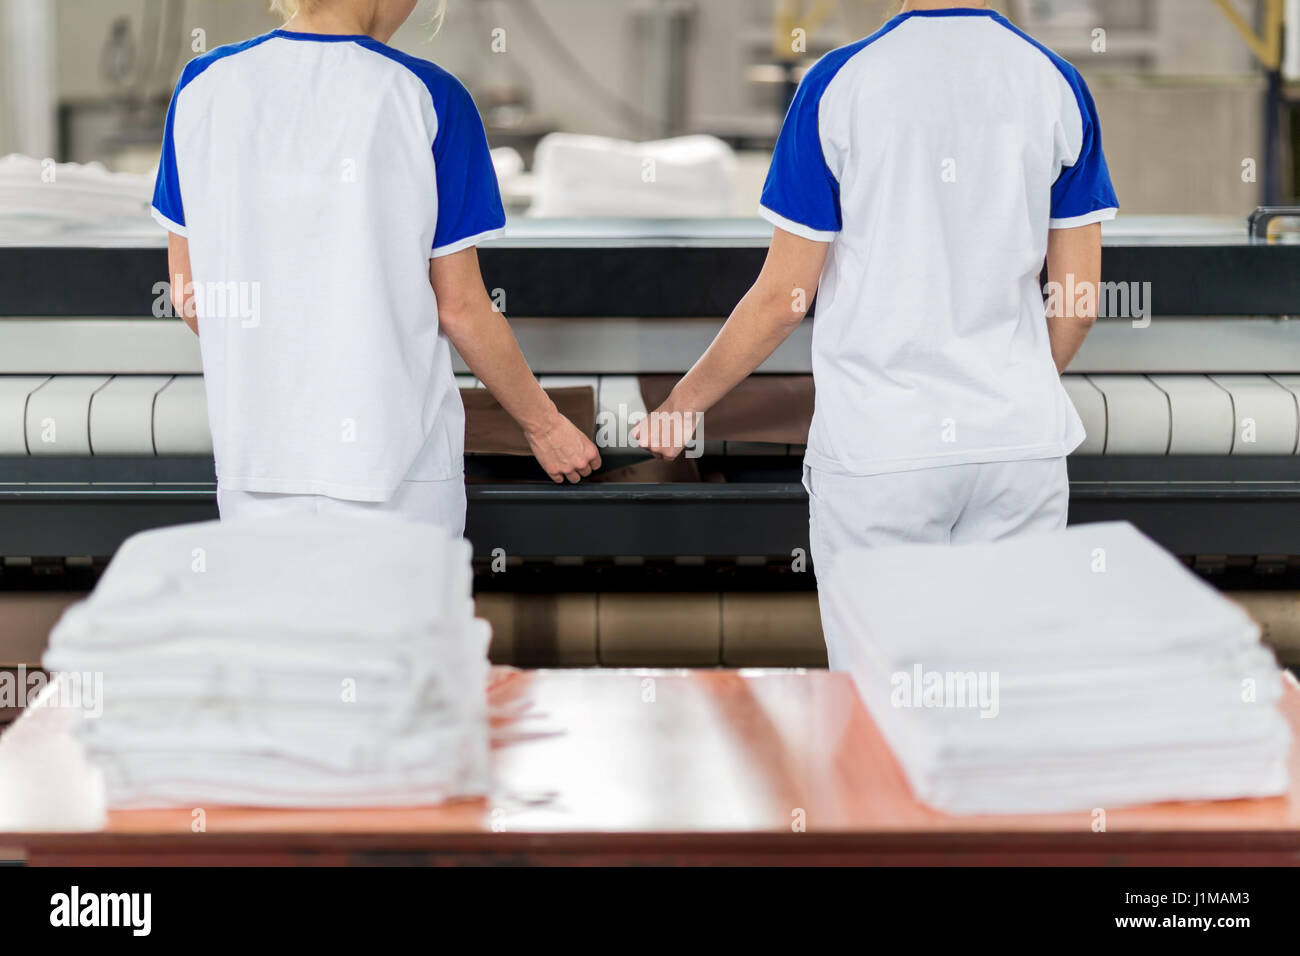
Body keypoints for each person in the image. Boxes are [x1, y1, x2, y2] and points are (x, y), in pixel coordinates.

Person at [634, 0, 1117, 668]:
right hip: (1018, 444)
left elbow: (783, 299)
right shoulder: (1056, 80)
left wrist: (684, 403)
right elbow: (1080, 300)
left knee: (883, 712)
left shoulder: (840, 83)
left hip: (883, 449)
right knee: (1006, 700)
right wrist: (1018, 380)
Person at [152, 0, 600, 536]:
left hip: (257, 472)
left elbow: (190, 296)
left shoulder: (203, 85)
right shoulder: (429, 96)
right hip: (400, 479)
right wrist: (545, 426)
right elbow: (460, 308)